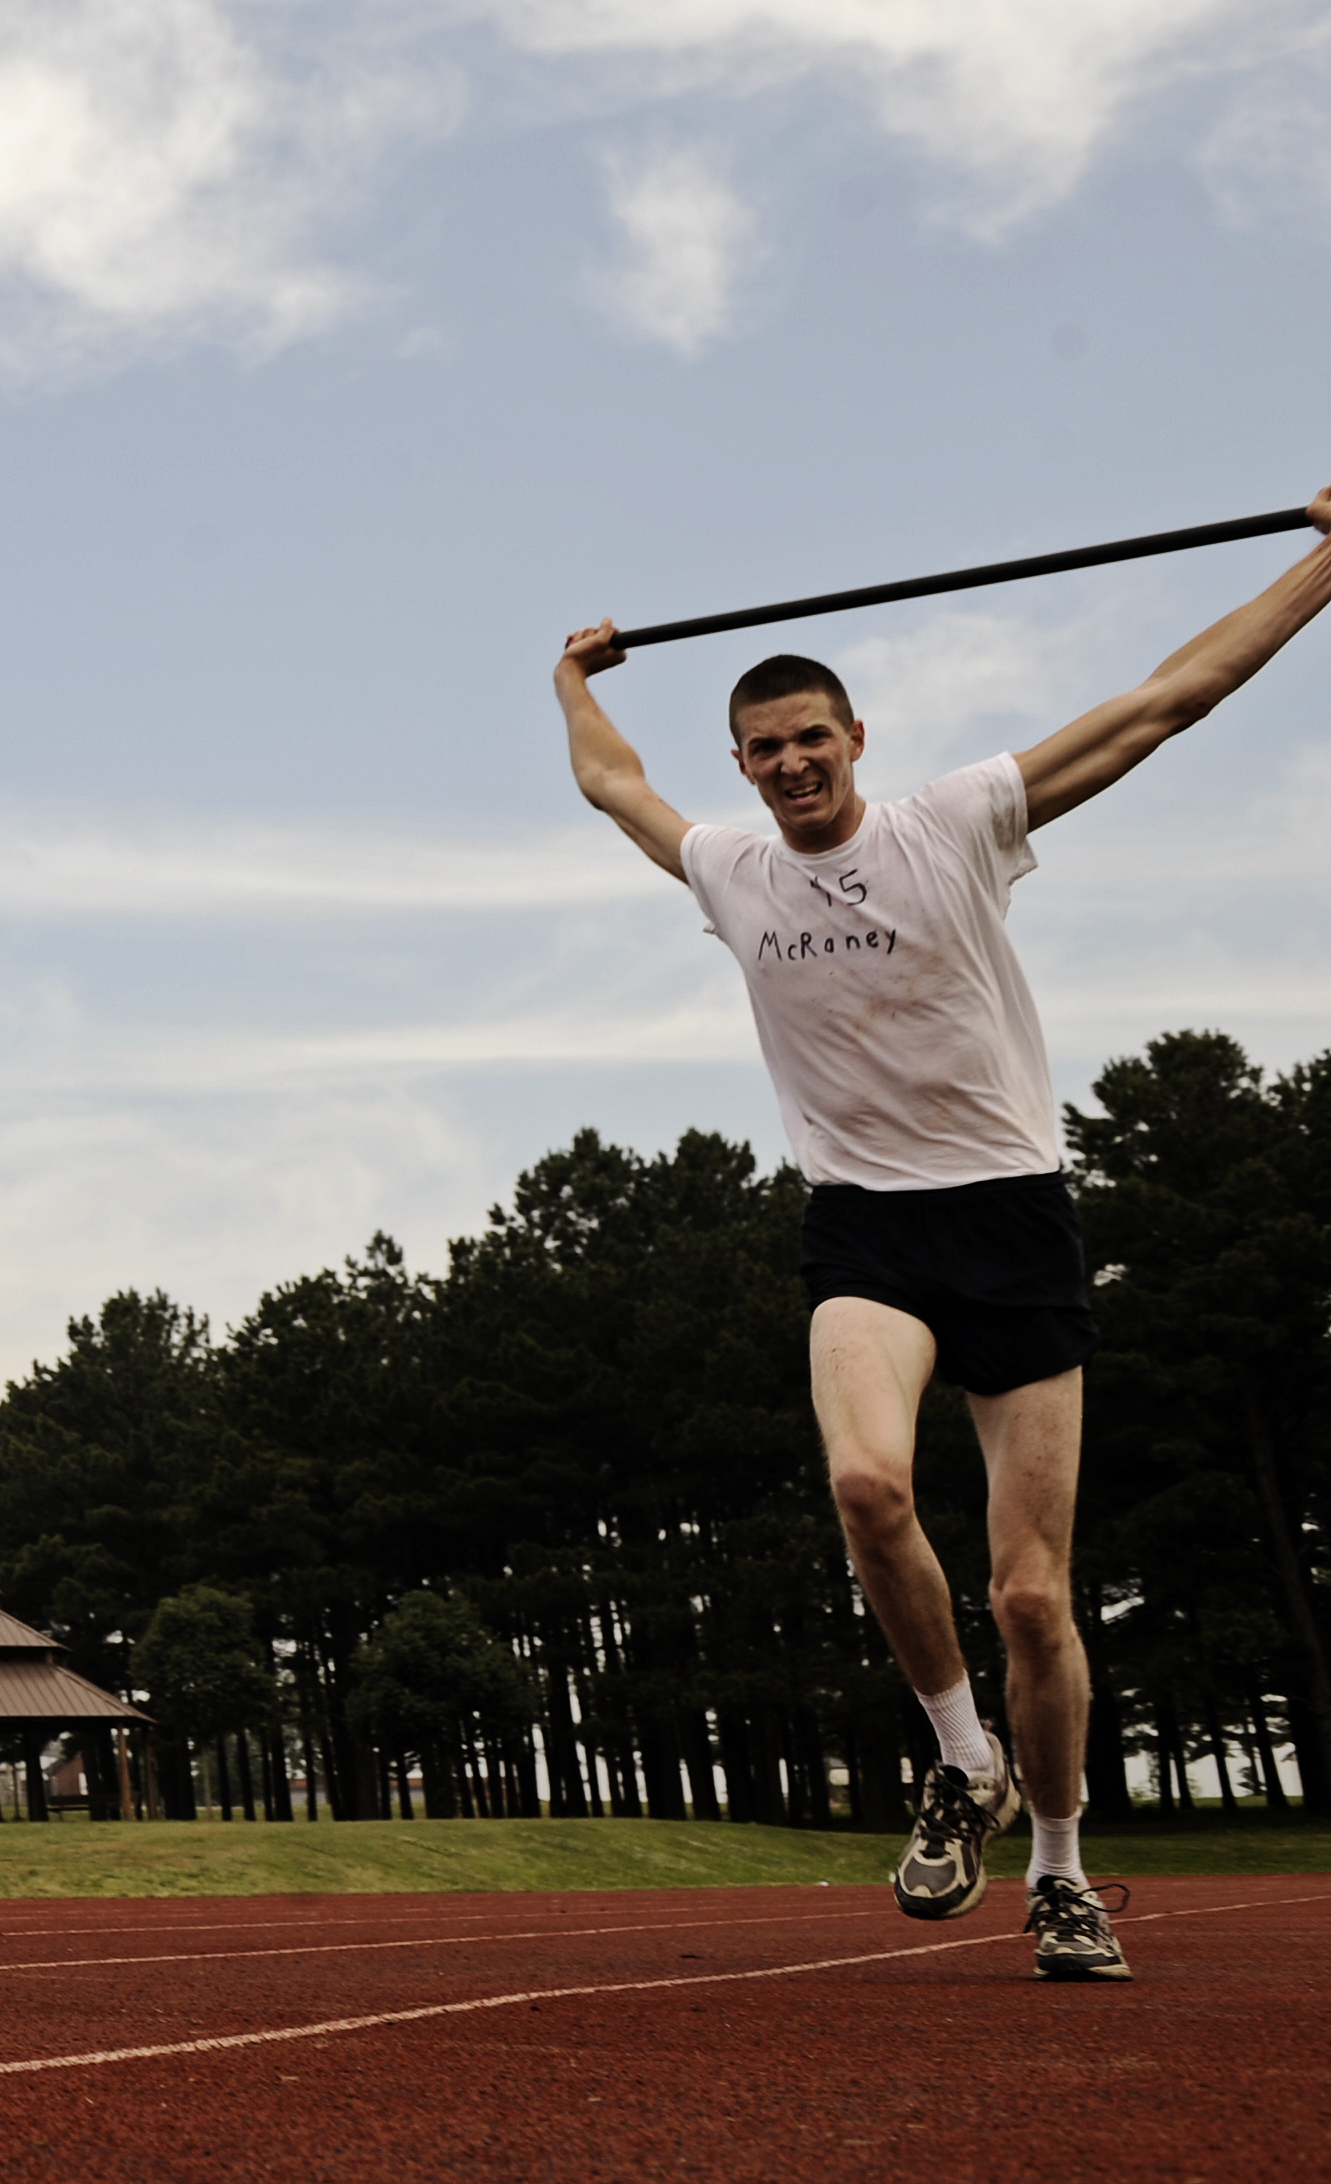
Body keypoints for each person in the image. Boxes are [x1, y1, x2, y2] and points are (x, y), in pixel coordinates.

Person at [552, 487, 1331, 1983]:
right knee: (861, 1483)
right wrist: (571, 679)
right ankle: (959, 1759)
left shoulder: (954, 822)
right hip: (864, 1229)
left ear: (855, 743)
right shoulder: (730, 867)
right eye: (762, 751)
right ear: (742, 766)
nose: (787, 767)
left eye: (809, 742)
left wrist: (1323, 563)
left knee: (1031, 1594)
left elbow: (1167, 700)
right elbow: (610, 788)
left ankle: (1055, 1869)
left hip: (1012, 1223)